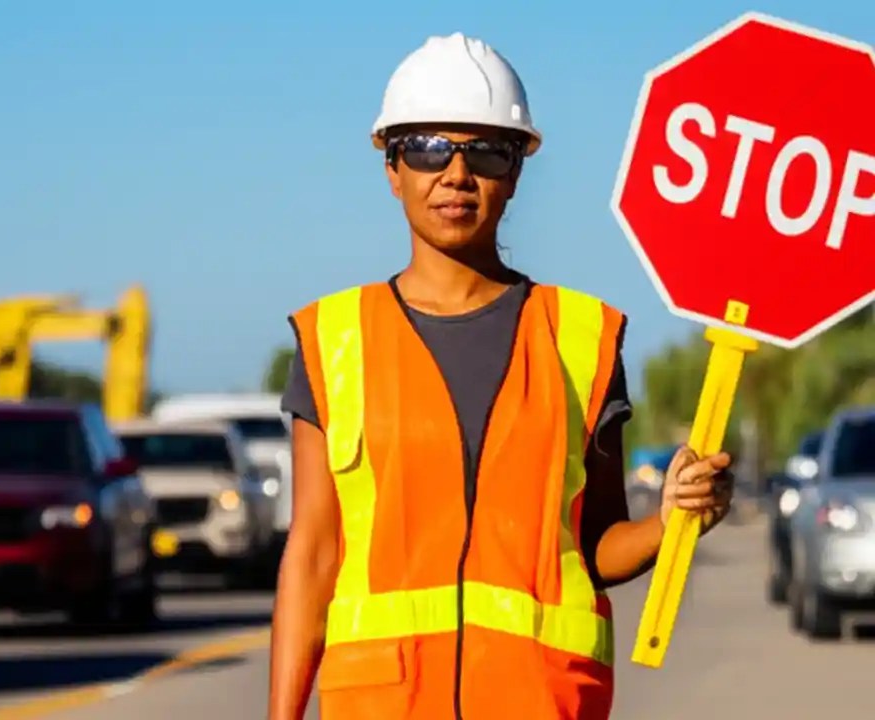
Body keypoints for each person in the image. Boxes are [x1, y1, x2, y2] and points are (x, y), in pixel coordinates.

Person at [266, 32, 735, 720]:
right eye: (428, 147)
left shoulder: (583, 337)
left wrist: (673, 521)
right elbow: (312, 556)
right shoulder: (333, 339)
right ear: (392, 168)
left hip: (539, 703)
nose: (456, 173)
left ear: (515, 174)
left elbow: (596, 545)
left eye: (486, 151)